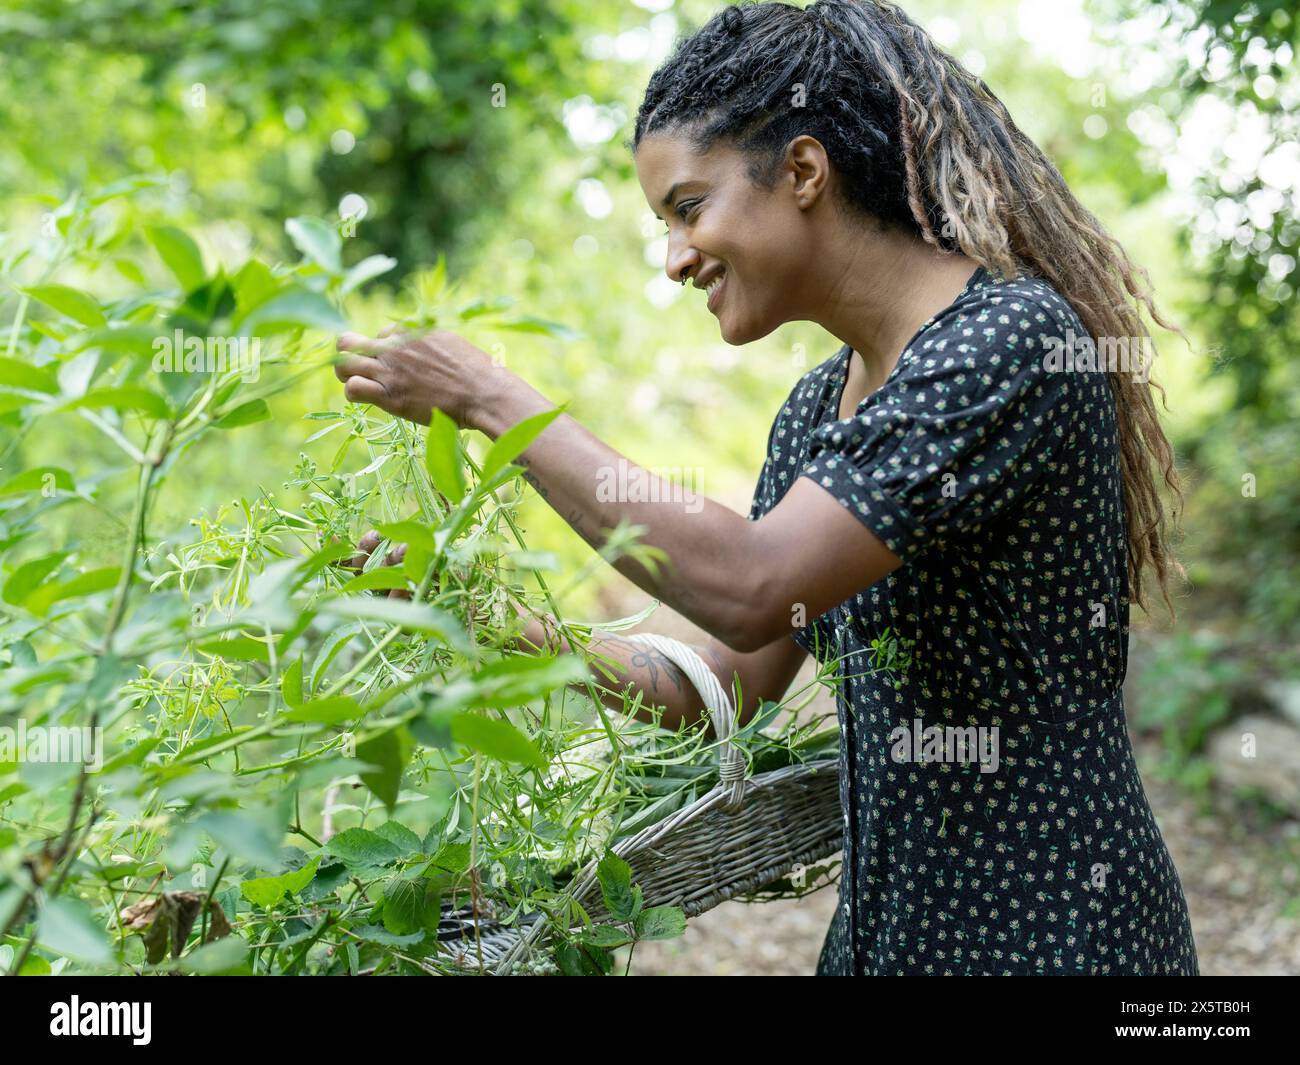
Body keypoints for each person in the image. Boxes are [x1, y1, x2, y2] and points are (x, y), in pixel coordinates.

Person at [334, 0, 1197, 975]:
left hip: (1054, 933)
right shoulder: (816, 410)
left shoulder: (1012, 344)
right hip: (891, 935)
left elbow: (750, 581)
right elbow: (728, 686)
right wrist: (483, 613)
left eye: (687, 208)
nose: (673, 259)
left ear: (801, 172)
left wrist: (491, 398)